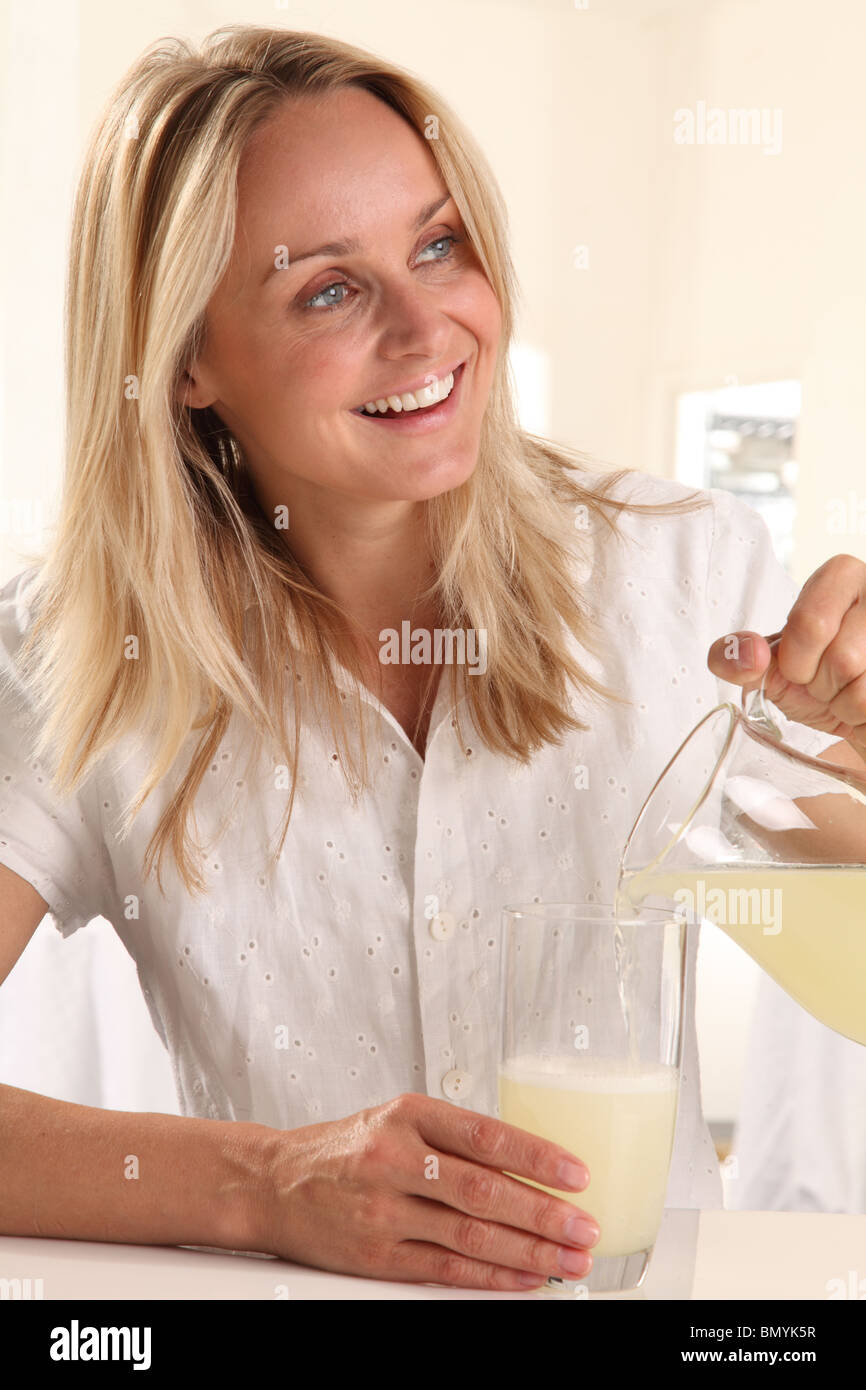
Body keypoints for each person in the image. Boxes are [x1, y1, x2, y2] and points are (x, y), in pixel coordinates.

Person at [0, 24, 863, 1292]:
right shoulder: (79, 648)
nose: (430, 327)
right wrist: (267, 1183)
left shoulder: (680, 578)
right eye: (329, 289)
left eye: (439, 244)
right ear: (185, 360)